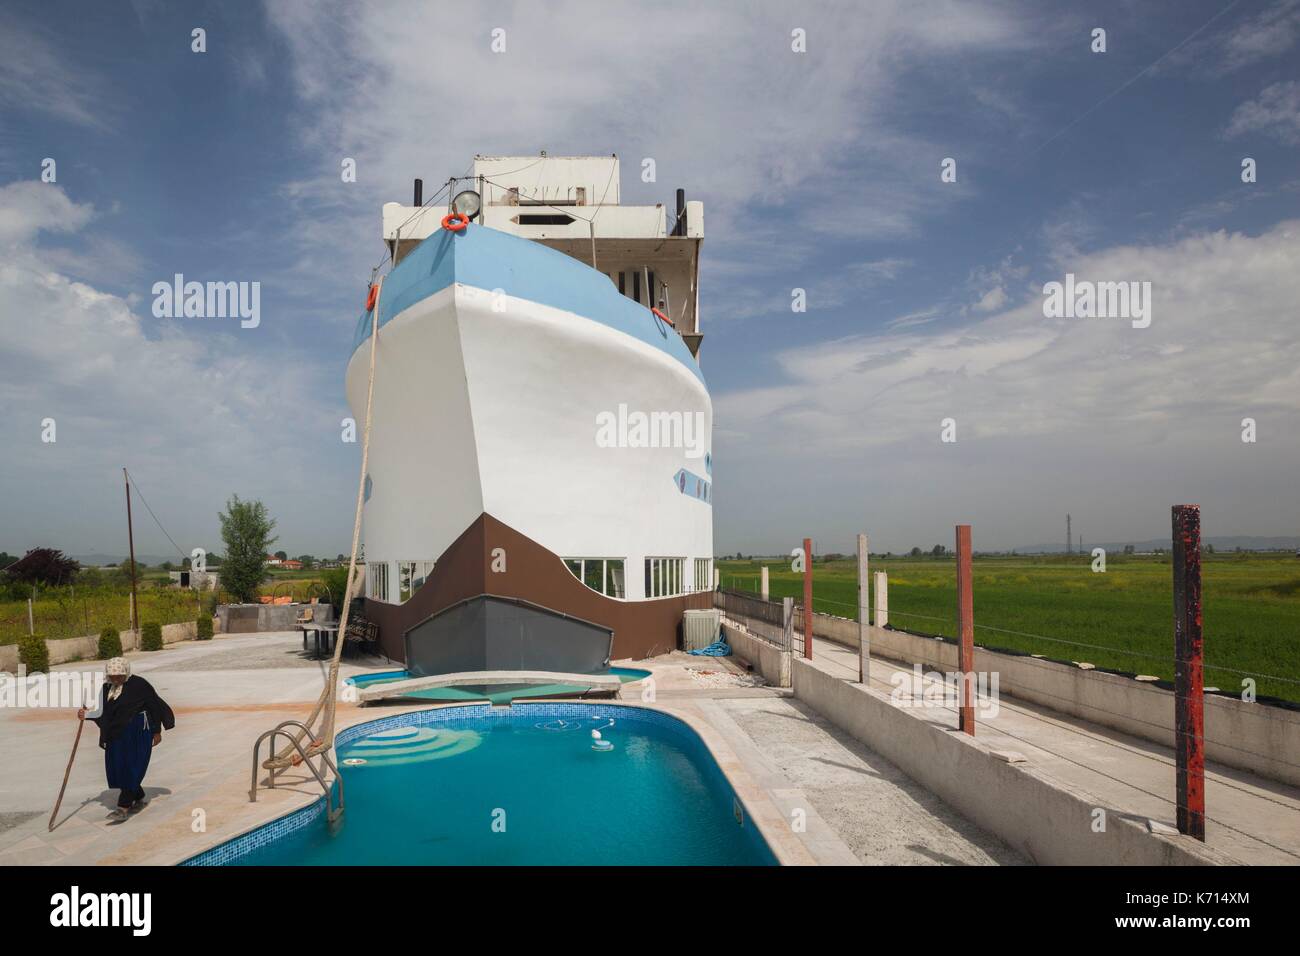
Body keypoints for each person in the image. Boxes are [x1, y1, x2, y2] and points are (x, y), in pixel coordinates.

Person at [77, 657, 175, 822]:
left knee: (133, 766)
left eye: (119, 675)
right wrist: (86, 715)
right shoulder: (107, 688)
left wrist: (156, 731)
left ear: (126, 672)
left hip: (138, 732)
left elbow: (154, 706)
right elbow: (103, 712)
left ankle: (123, 807)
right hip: (117, 733)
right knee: (119, 766)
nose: (116, 679)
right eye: (112, 676)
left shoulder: (139, 685)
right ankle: (139, 796)